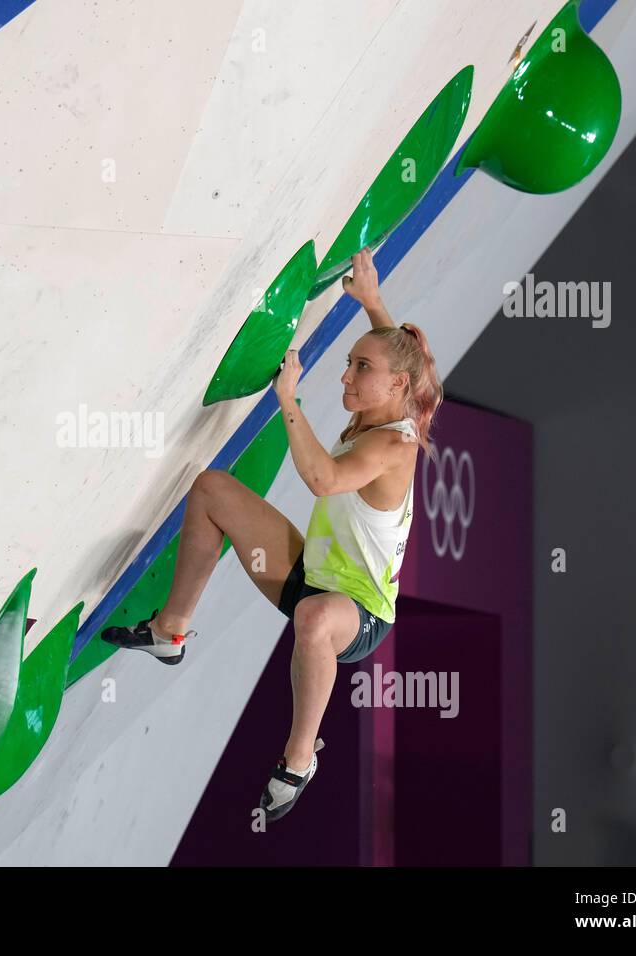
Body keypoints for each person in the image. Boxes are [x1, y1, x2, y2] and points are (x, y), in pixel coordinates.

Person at [101, 247, 443, 821]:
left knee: (312, 621)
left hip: (357, 614)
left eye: (361, 368)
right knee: (211, 491)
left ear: (395, 385)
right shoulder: (398, 393)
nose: (348, 373)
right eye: (352, 362)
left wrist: (288, 399)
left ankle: (299, 758)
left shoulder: (392, 445)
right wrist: (372, 300)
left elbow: (321, 479)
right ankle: (170, 631)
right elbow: (398, 355)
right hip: (309, 575)